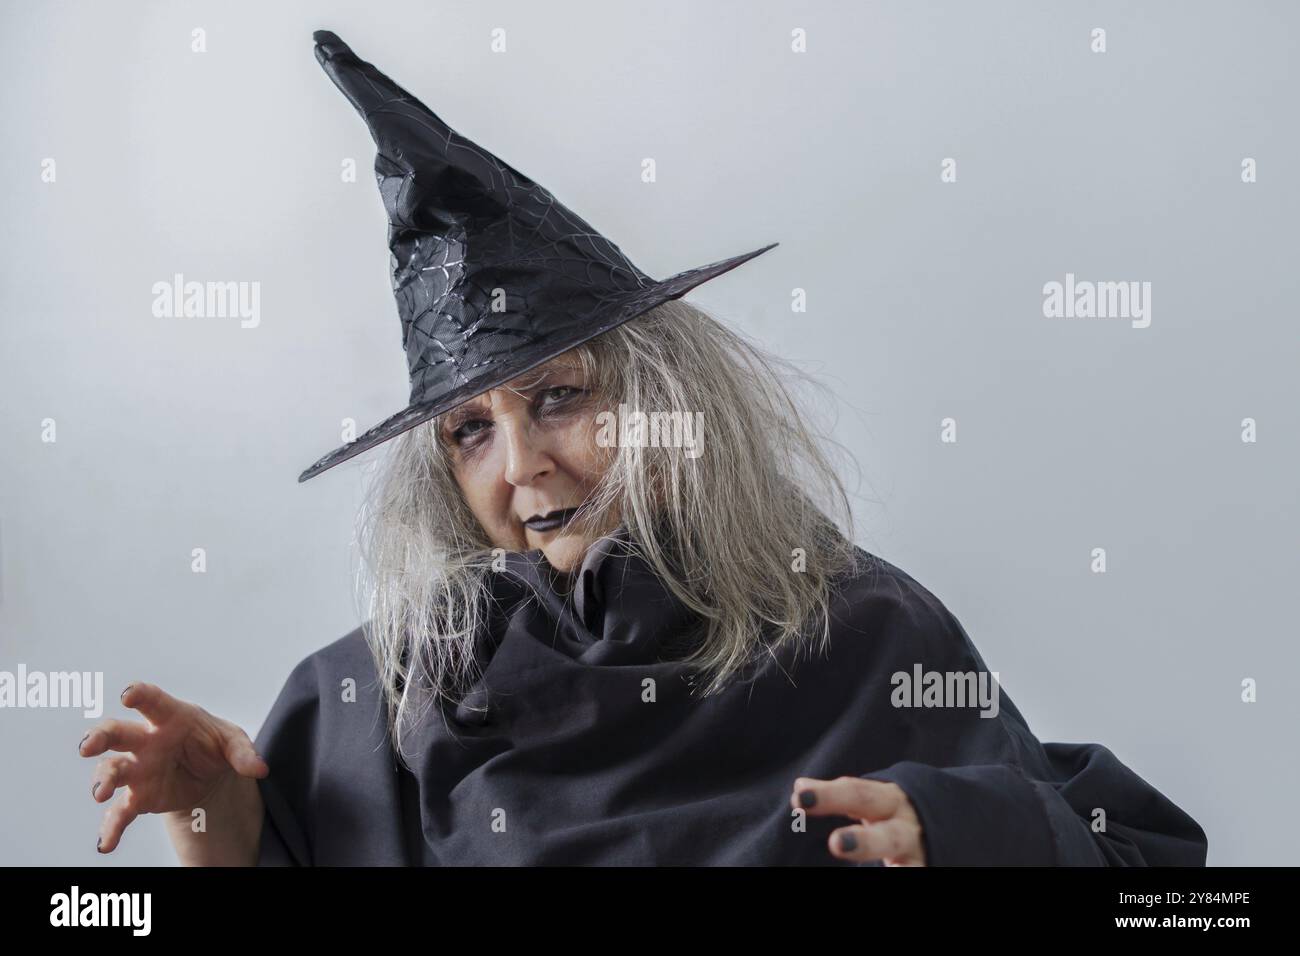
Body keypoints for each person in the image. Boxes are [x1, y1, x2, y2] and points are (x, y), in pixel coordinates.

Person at [77, 31, 1208, 867]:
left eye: (559, 398)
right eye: (470, 428)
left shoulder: (860, 627)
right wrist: (211, 825)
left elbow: (1162, 875)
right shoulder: (374, 692)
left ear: (664, 398)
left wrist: (967, 835)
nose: (521, 465)